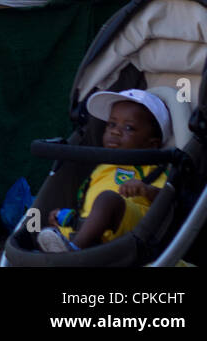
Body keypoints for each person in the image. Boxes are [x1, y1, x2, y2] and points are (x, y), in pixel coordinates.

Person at [37, 90, 169, 252]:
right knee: (55, 225)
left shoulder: (150, 168)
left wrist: (146, 190)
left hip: (131, 226)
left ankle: (74, 251)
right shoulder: (101, 168)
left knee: (108, 198)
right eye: (111, 124)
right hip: (92, 230)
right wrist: (64, 217)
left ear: (151, 144)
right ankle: (69, 247)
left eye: (129, 128)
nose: (115, 131)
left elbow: (167, 200)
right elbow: (88, 205)